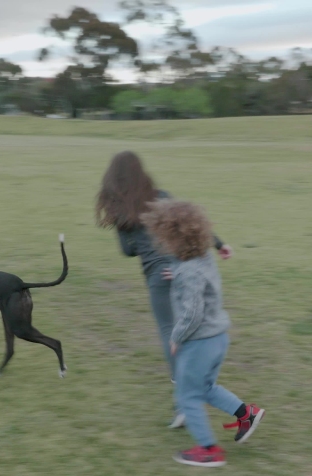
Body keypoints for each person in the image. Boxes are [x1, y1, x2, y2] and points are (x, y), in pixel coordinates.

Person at [95, 151, 233, 428]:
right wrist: (219, 244)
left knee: (170, 334)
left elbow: (127, 251)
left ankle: (185, 400)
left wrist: (134, 235)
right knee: (194, 325)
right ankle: (200, 383)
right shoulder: (160, 196)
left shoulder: (120, 210)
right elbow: (188, 222)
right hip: (183, 267)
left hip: (158, 277)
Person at [140, 199, 264, 467]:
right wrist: (178, 273)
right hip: (218, 337)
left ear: (173, 240)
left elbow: (192, 313)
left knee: (188, 396)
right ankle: (246, 414)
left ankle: (208, 450)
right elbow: (198, 281)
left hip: (200, 341)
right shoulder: (203, 257)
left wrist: (176, 337)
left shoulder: (187, 272)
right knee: (205, 387)